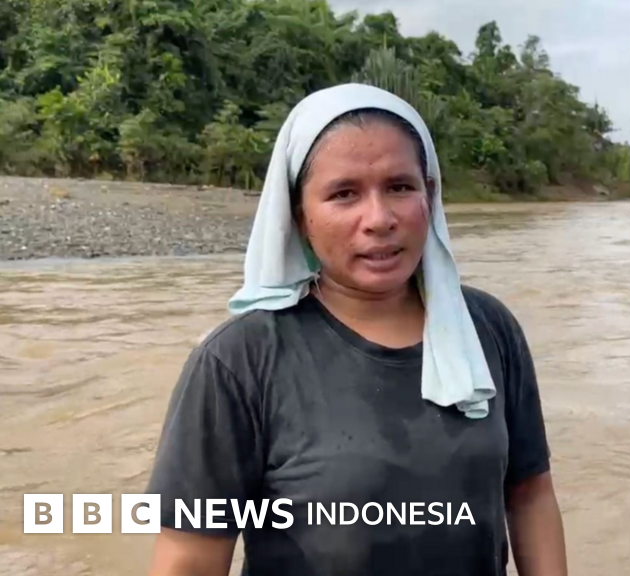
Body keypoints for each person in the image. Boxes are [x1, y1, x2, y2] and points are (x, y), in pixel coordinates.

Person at [145, 84, 567, 576]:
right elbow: (189, 558)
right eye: (344, 194)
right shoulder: (238, 362)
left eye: (400, 187)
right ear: (299, 216)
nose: (379, 219)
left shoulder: (489, 329)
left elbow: (530, 495)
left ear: (430, 194)